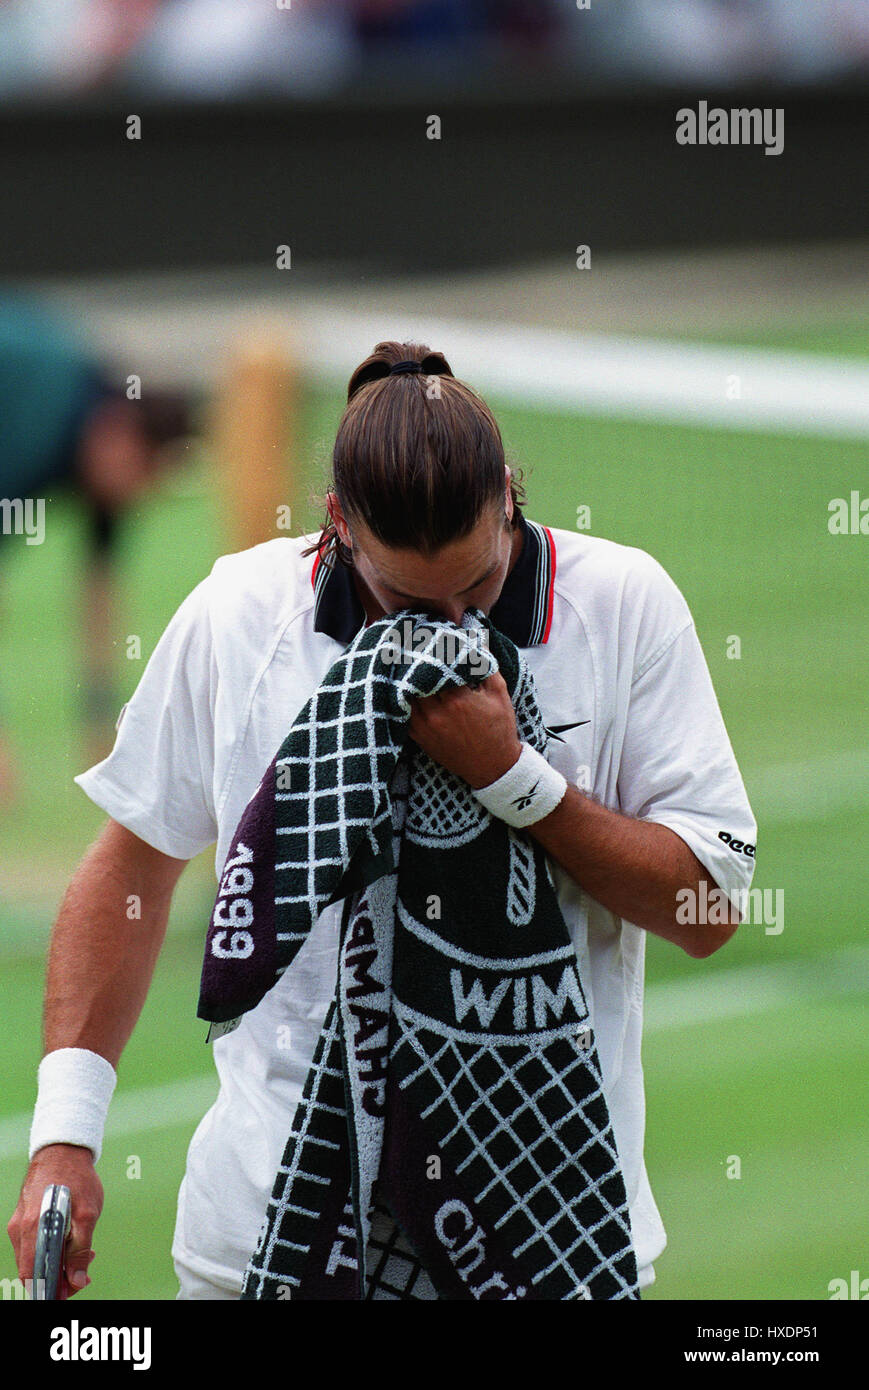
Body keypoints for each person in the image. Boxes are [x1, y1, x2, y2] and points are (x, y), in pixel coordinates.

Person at [7, 338, 757, 1300]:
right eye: (405, 597)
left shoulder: (624, 607)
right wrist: (64, 1136)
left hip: (545, 1242)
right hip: (258, 1244)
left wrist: (514, 778)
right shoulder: (239, 615)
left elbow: (709, 909)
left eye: (477, 589)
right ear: (336, 527)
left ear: (510, 498)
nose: (448, 626)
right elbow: (131, 873)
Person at [0, 292, 191, 801]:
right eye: (143, 472)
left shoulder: (103, 444)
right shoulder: (36, 424)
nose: (138, 494)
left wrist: (102, 726)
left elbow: (99, 589)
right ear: (120, 436)